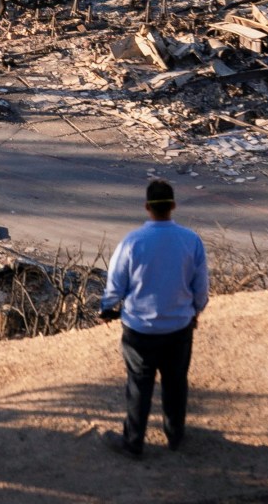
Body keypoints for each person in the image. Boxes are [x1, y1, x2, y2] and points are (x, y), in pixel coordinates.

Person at [100, 180, 209, 458]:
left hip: (140, 330)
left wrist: (107, 308)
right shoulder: (191, 240)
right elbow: (201, 289)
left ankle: (134, 442)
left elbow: (115, 286)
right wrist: (194, 311)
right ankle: (175, 435)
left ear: (147, 207)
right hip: (178, 327)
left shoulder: (132, 242)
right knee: (175, 382)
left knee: (139, 385)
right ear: (173, 206)